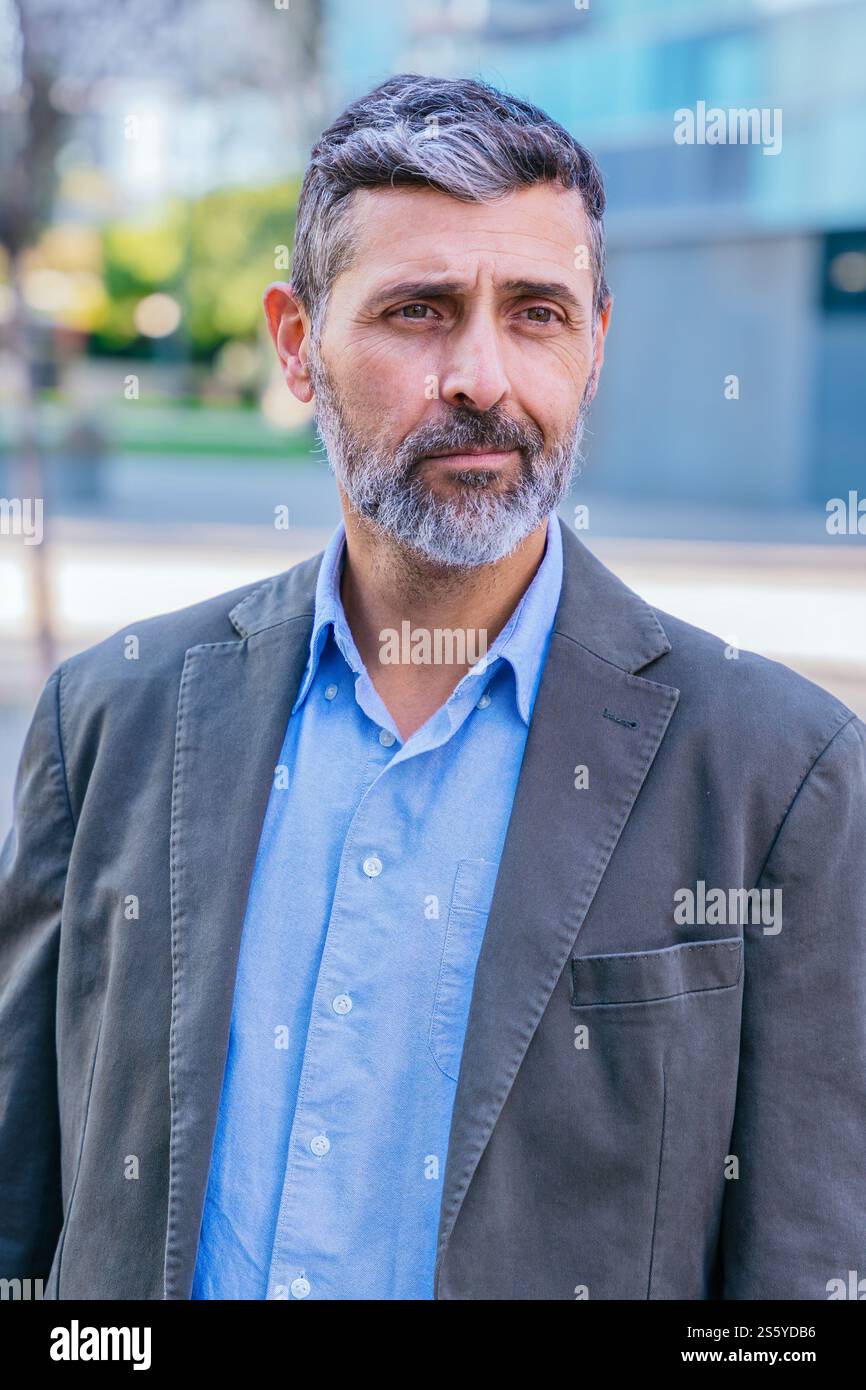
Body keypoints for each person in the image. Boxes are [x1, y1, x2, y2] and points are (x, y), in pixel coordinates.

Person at [1, 74, 864, 1302]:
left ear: (596, 344)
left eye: (536, 314)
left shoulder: (779, 777)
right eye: (417, 310)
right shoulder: (108, 725)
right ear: (298, 346)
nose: (480, 376)